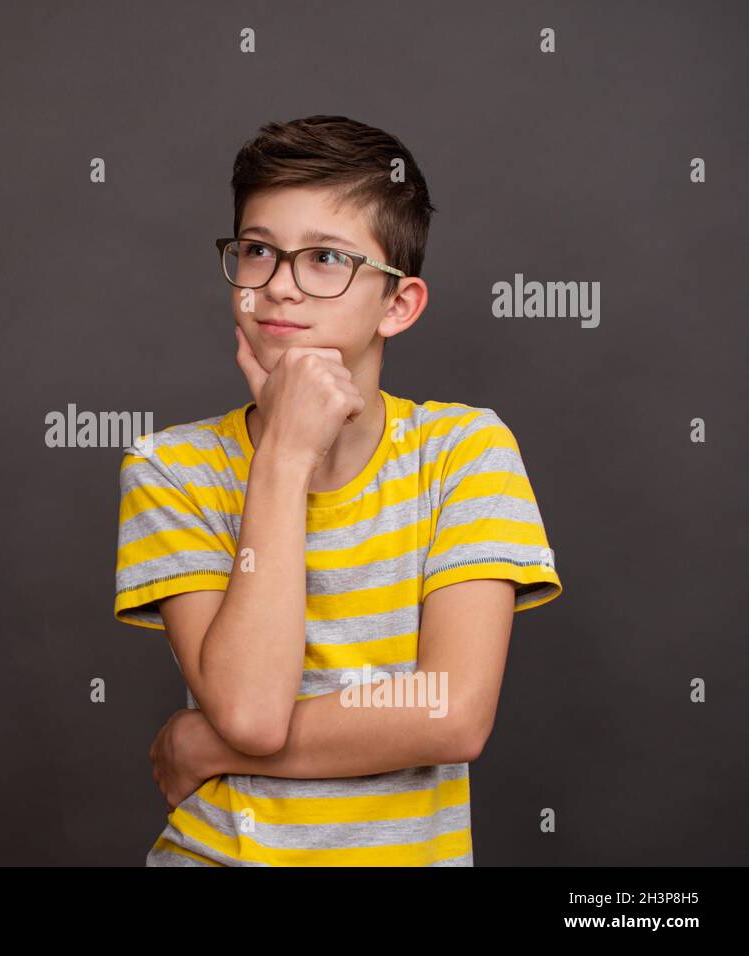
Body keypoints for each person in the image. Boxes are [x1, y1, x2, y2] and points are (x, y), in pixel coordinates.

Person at [112, 114, 563, 866]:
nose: (280, 285)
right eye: (257, 251)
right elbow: (251, 713)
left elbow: (451, 716)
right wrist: (284, 458)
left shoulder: (465, 452)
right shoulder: (169, 467)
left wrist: (203, 744)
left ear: (398, 305)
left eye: (325, 258)